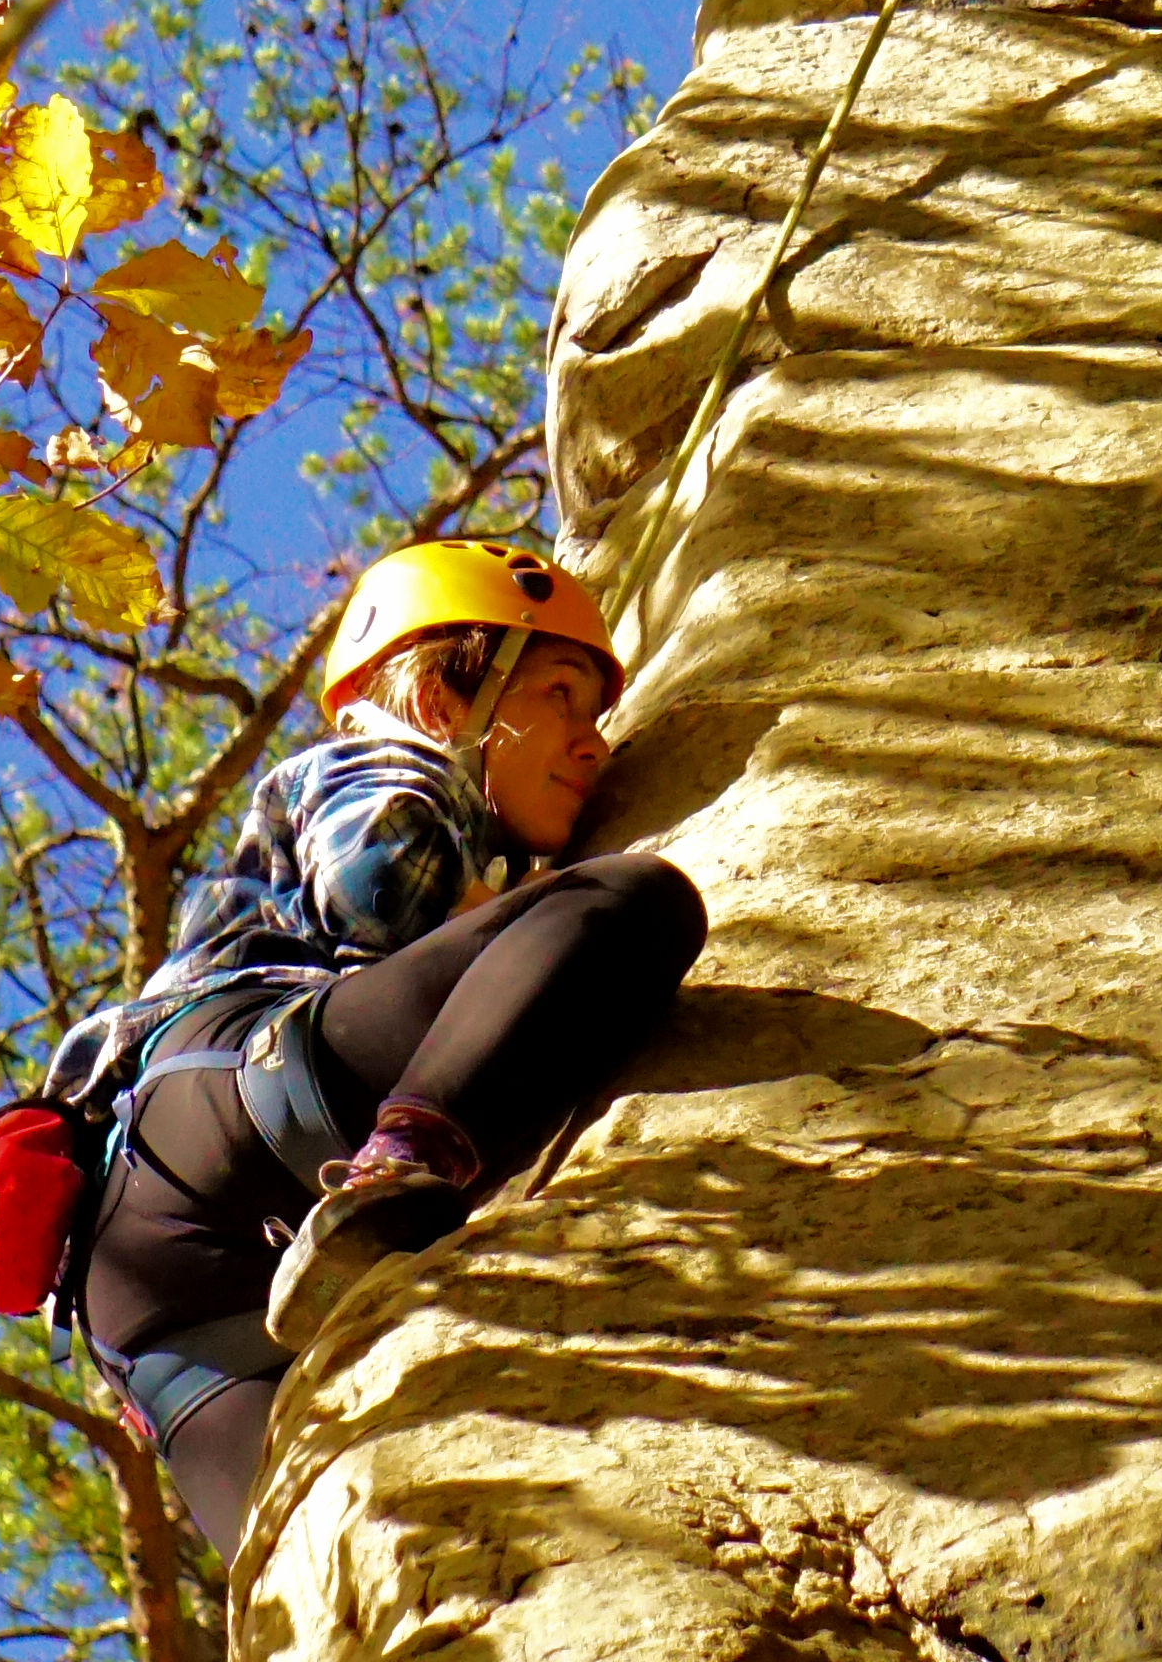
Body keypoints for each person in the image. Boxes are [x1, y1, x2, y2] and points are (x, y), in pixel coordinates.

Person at [58, 537, 706, 1553]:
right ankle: (398, 1170)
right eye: (563, 699)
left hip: (147, 1304)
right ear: (448, 700)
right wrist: (507, 900)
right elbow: (375, 884)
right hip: (247, 1087)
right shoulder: (385, 761)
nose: (593, 743)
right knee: (631, 900)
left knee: (313, 1567)